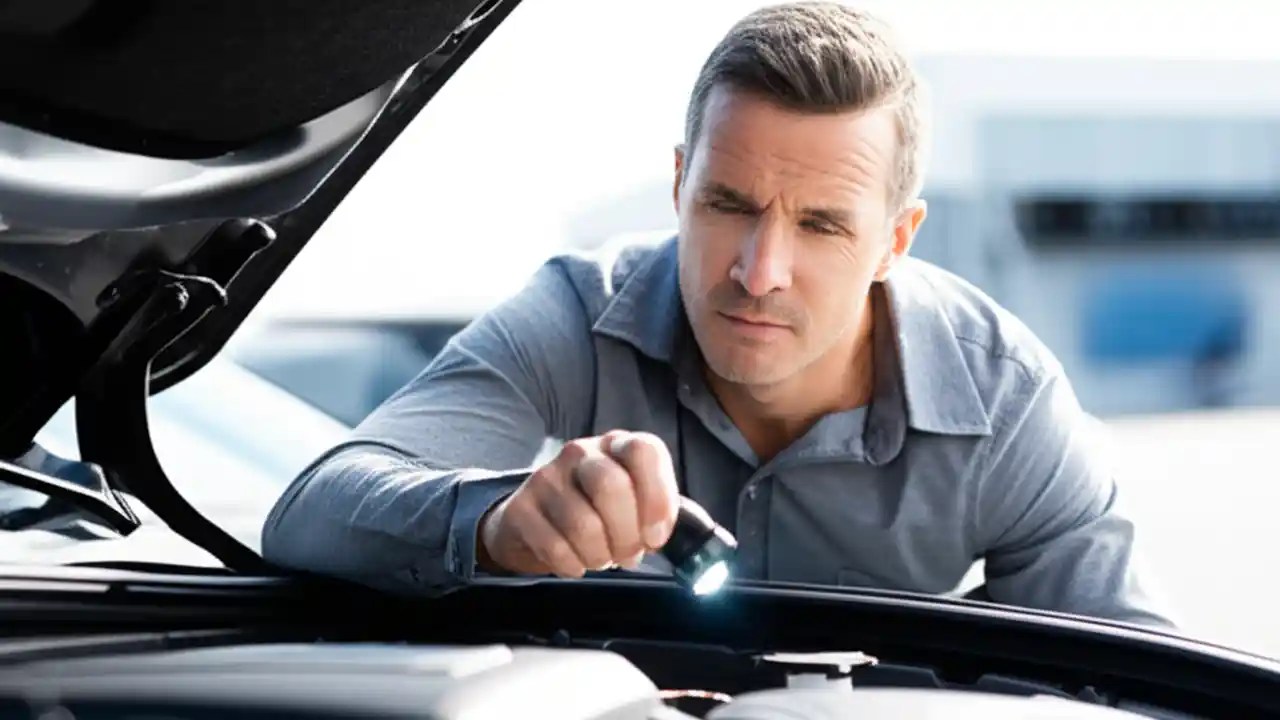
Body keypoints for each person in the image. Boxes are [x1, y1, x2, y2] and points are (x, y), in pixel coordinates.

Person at [262, 1, 1175, 628]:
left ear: (898, 239)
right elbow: (313, 510)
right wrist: (499, 520)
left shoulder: (1009, 407)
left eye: (820, 225)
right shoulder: (582, 313)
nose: (758, 271)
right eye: (730, 204)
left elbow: (1134, 680)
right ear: (677, 185)